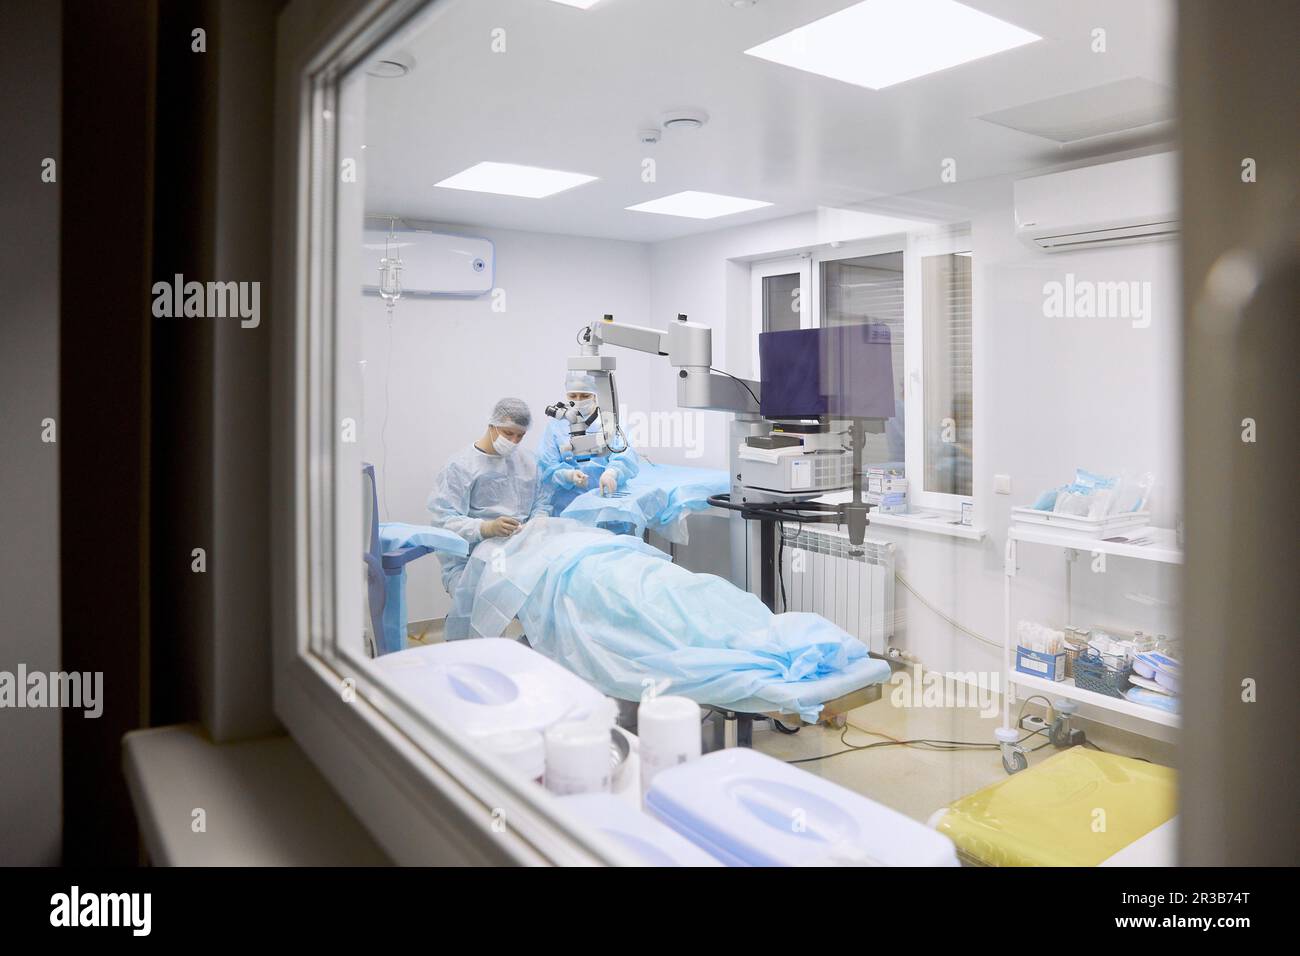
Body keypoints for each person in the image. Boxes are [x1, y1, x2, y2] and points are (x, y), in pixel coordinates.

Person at [427, 397, 551, 595]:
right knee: (481, 608)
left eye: (520, 436)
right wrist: (486, 528)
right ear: (492, 425)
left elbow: (541, 501)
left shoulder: (528, 462)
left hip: (518, 551)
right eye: (508, 433)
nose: (513, 441)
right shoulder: (460, 467)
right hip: (470, 559)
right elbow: (443, 521)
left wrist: (539, 521)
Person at [538, 371, 640, 517]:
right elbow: (546, 465)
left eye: (585, 396)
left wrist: (611, 473)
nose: (578, 400)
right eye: (572, 396)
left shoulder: (610, 423)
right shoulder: (556, 426)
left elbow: (625, 455)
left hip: (604, 499)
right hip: (566, 504)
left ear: (595, 395)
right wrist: (567, 475)